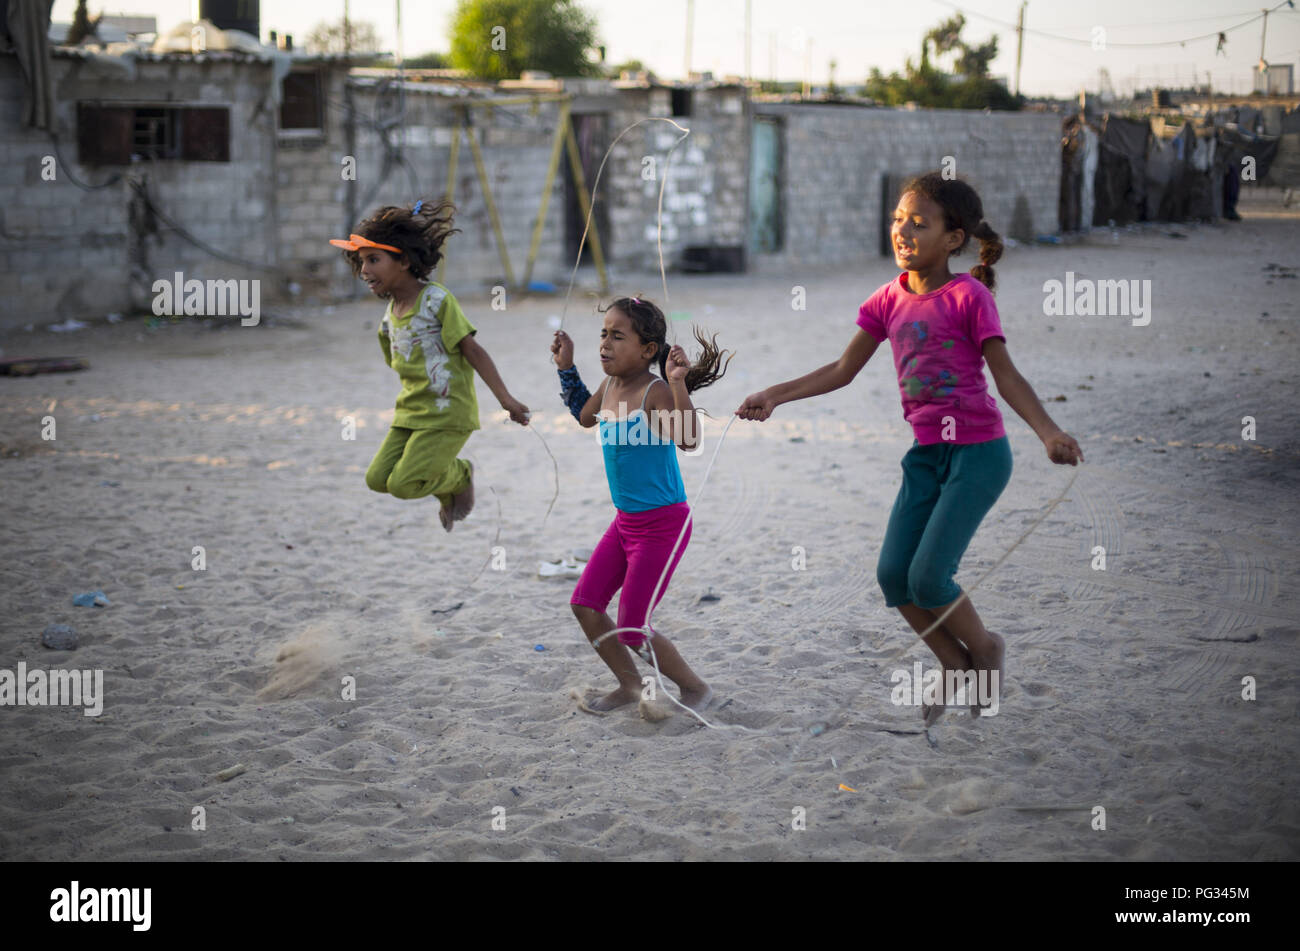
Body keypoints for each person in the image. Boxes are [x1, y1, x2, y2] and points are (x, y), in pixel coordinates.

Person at [737, 172, 1083, 725]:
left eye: (919, 224)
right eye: (899, 220)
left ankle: (986, 649)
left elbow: (1007, 376)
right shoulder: (886, 299)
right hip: (925, 457)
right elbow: (842, 369)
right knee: (895, 577)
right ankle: (953, 661)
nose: (903, 231)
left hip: (978, 455)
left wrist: (1049, 433)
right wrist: (775, 395)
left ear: (954, 238)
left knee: (930, 578)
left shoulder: (969, 296)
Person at [551, 297, 731, 713]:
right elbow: (583, 414)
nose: (605, 344)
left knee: (633, 626)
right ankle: (630, 686)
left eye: (618, 336)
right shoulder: (610, 386)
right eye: (603, 334)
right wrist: (566, 367)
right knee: (585, 604)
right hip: (625, 524)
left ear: (648, 350)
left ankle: (696, 689)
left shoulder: (655, 391)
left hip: (664, 525)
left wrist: (679, 382)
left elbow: (689, 440)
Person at [329, 199, 530, 532]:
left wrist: (505, 400)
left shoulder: (437, 300)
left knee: (403, 484)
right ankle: (447, 480)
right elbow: (396, 361)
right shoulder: (389, 313)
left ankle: (460, 475)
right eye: (362, 261)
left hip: (447, 413)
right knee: (377, 479)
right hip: (410, 412)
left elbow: (472, 350)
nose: (364, 270)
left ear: (404, 261)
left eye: (374, 260)